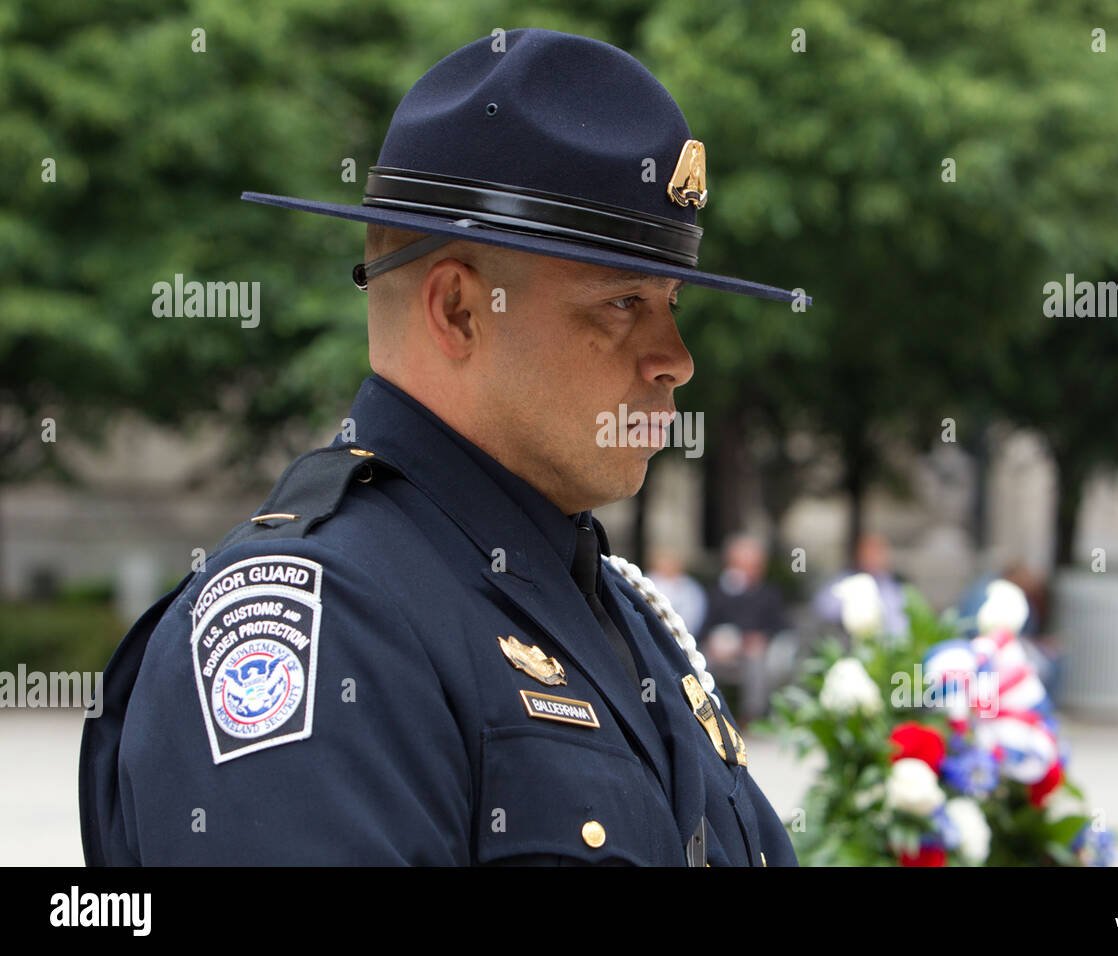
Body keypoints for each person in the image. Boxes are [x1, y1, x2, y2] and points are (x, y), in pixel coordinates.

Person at [80, 29, 805, 866]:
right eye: (622, 304)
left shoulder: (619, 609)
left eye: (672, 302)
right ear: (459, 310)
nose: (675, 358)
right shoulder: (314, 624)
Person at [700, 533, 790, 722]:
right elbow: (705, 626)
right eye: (741, 564)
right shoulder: (719, 593)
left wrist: (761, 638)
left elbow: (781, 626)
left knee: (755, 661)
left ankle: (751, 717)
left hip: (752, 651)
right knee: (701, 661)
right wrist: (714, 643)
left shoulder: (769, 594)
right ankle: (707, 714)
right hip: (722, 649)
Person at [814, 531, 909, 640]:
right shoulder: (847, 581)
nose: (874, 558)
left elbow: (902, 623)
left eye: (878, 553)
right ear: (859, 555)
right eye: (869, 553)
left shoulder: (894, 587)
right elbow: (823, 607)